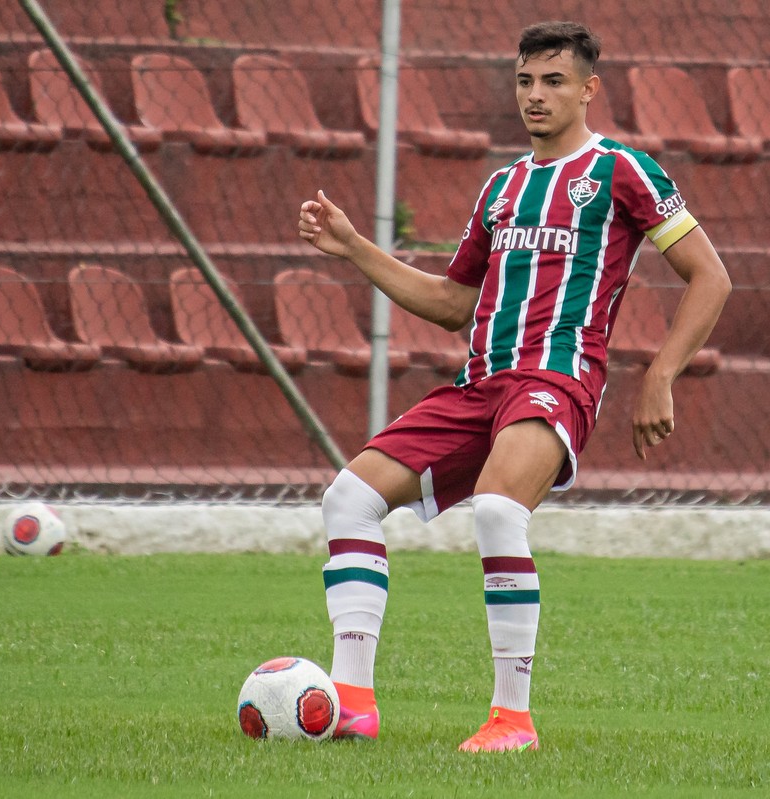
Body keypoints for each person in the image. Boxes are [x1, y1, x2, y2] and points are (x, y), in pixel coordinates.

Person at [296, 20, 731, 752]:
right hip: (480, 383)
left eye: (554, 81)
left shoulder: (623, 171)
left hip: (558, 376)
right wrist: (355, 248)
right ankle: (353, 702)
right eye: (526, 81)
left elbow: (710, 276)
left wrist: (661, 374)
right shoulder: (502, 188)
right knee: (348, 500)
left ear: (588, 89)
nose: (536, 94)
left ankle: (512, 720)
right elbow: (453, 303)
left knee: (498, 510)